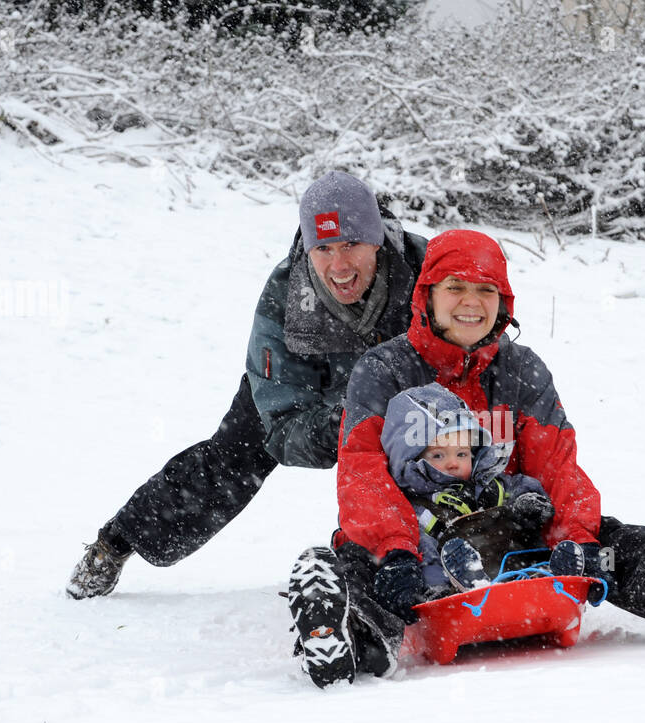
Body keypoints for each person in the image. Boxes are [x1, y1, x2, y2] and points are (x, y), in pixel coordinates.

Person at [287, 229, 645, 688]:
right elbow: (362, 473)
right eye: (456, 287)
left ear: (503, 303)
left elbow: (557, 467)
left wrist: (576, 538)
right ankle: (343, 634)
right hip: (417, 535)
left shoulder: (521, 370)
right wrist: (396, 548)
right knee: (363, 562)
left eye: (486, 291)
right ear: (428, 296)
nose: (471, 302)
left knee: (611, 541)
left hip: (507, 527)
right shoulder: (385, 369)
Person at [66, 172, 429, 598]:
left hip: (409, 389)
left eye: (351, 245)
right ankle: (117, 542)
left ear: (376, 240)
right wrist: (351, 423)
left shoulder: (426, 268)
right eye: (324, 249)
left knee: (446, 447)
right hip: (309, 394)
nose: (339, 265)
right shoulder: (285, 294)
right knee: (231, 459)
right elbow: (282, 429)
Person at [377, 382, 580, 595]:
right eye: (438, 455)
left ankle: (555, 575)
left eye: (461, 453)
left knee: (524, 541)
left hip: (516, 571)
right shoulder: (420, 510)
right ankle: (469, 584)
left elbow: (518, 485)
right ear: (411, 460)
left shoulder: (488, 486)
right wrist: (435, 588)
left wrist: (529, 501)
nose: (453, 463)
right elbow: (425, 554)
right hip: (461, 593)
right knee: (447, 555)